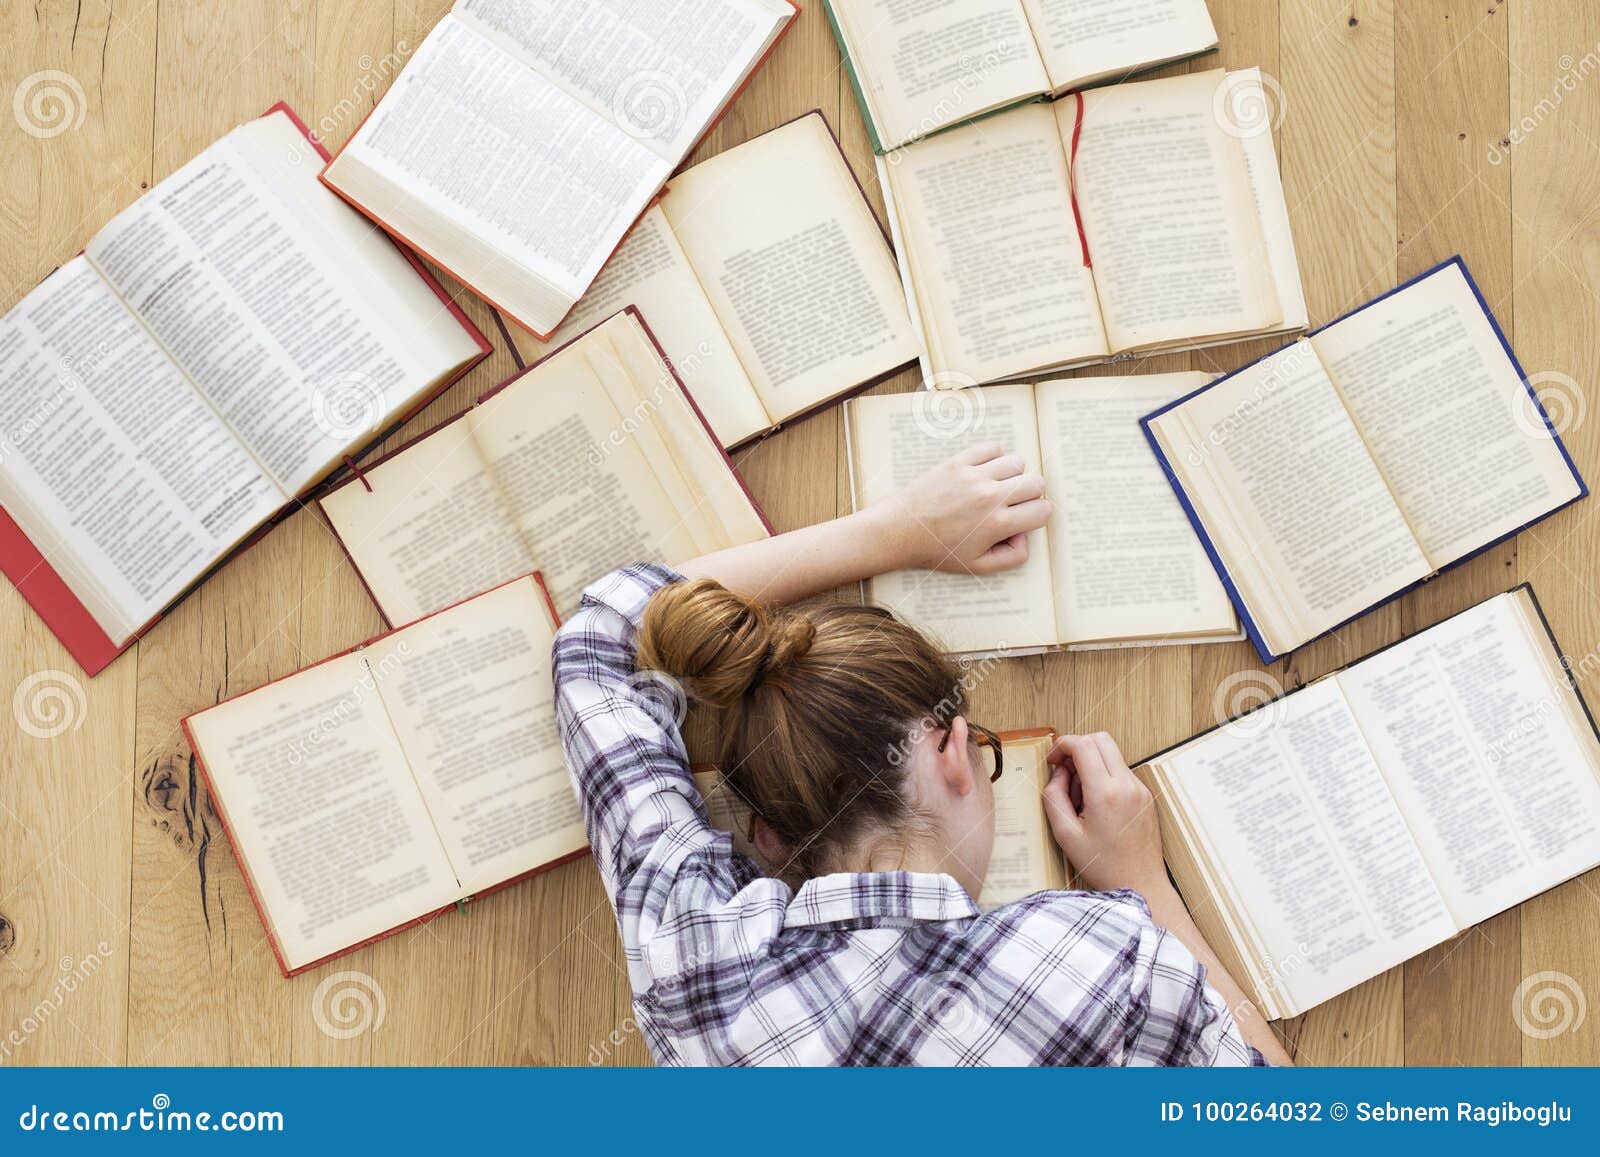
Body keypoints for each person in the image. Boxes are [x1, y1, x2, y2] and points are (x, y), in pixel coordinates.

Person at [553, 443, 1292, 1067]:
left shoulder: (700, 967)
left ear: (770, 838)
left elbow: (603, 639)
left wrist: (890, 532)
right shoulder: (1104, 958)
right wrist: (1143, 882)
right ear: (953, 752)